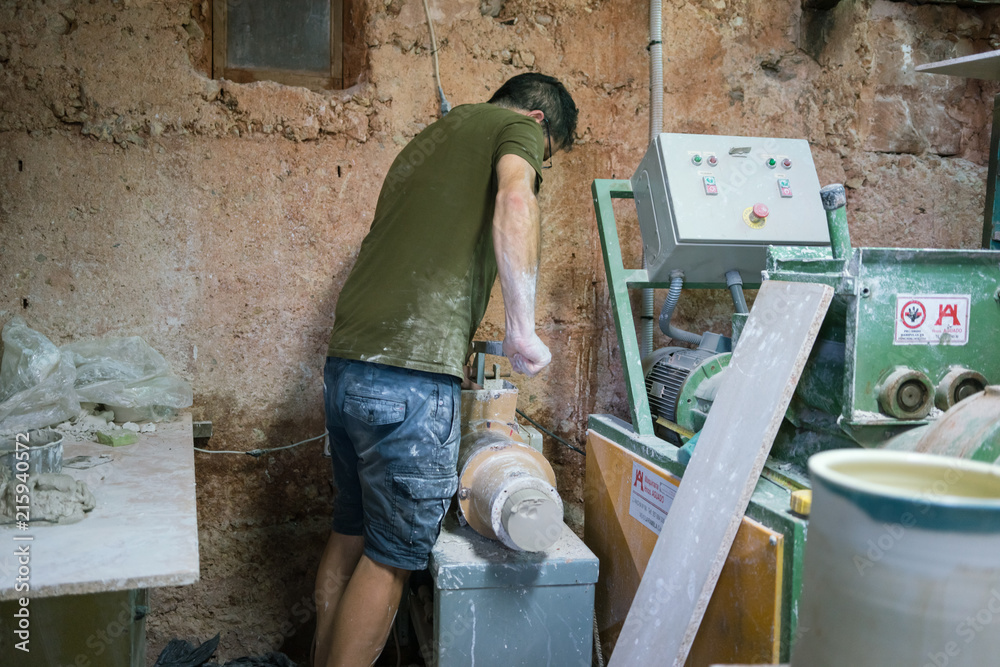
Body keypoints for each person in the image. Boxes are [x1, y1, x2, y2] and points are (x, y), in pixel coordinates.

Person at [312, 73, 578, 667]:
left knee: (350, 534)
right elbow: (516, 200)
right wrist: (521, 326)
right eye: (548, 159)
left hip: (347, 369)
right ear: (539, 121)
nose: (540, 167)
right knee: (392, 559)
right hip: (408, 379)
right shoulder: (517, 128)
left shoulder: (427, 143)